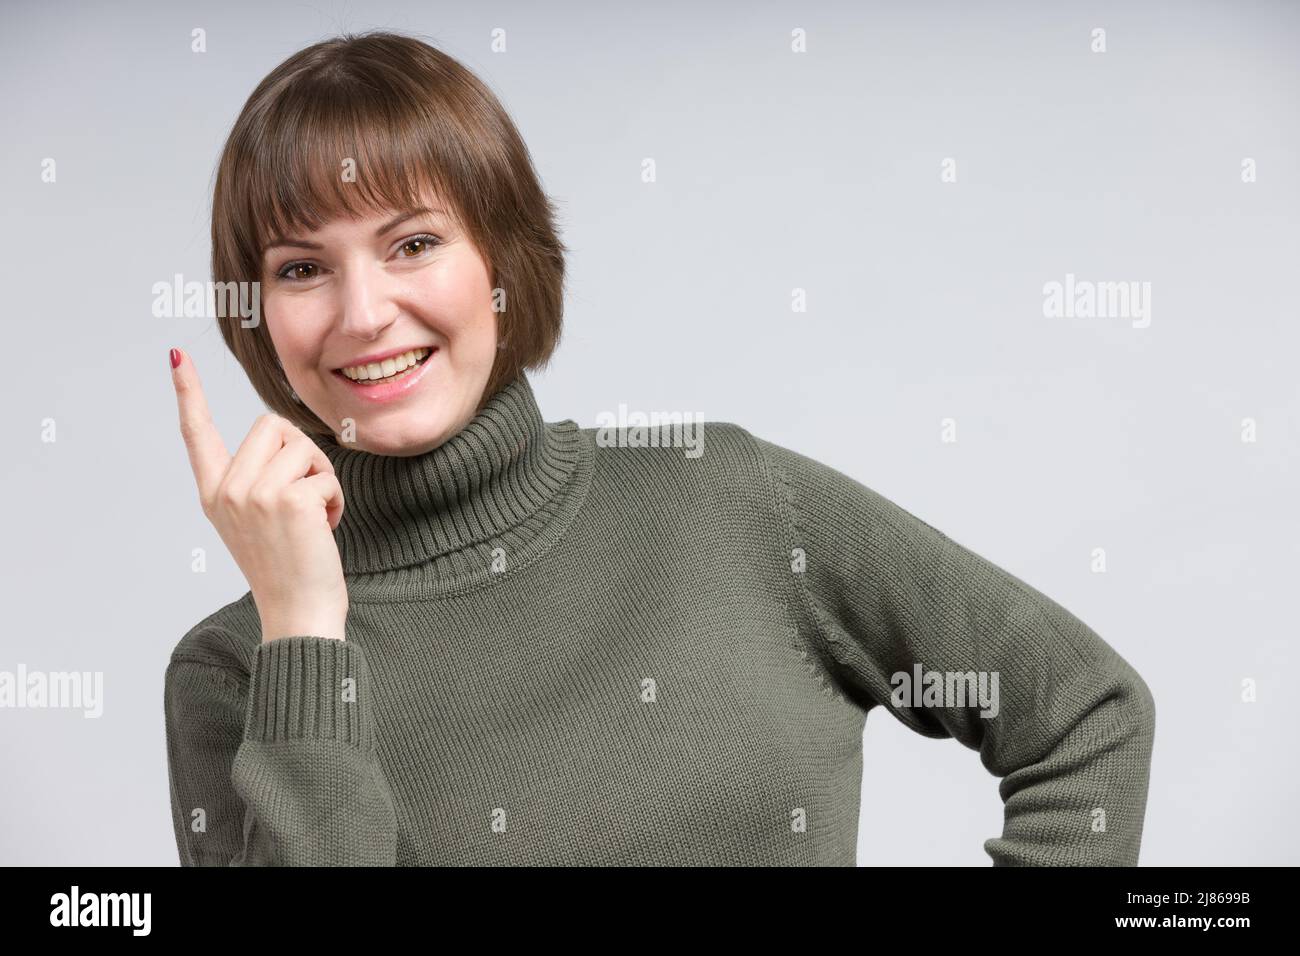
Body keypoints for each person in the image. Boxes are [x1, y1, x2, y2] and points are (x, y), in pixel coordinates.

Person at [163, 30, 1155, 866]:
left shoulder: (729, 499)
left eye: (413, 243)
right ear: (259, 317)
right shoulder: (236, 670)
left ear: (503, 259)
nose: (365, 312)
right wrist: (303, 632)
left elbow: (1084, 711)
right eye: (303, 268)